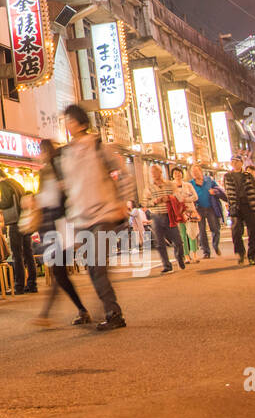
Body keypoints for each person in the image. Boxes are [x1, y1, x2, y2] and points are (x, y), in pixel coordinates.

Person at [58, 105, 130, 330]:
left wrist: (124, 203)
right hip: (80, 218)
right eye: (65, 121)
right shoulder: (66, 153)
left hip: (104, 213)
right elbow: (70, 187)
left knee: (97, 265)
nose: (67, 124)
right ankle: (109, 308)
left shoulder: (99, 145)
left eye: (70, 120)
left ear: (80, 122)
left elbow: (124, 176)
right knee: (92, 266)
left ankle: (113, 313)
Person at [31, 139, 91, 328]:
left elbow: (59, 197)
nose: (41, 155)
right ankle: (79, 310)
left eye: (42, 151)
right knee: (59, 272)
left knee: (59, 271)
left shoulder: (58, 169)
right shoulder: (46, 171)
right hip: (52, 226)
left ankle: (50, 312)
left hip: (60, 225)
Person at [0, 167, 37, 294]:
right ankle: (32, 284)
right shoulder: (16, 183)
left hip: (15, 222)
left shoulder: (4, 183)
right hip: (24, 221)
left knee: (17, 254)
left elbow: (6, 202)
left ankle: (19, 285)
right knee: (28, 253)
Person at [142, 163, 186, 273]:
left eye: (156, 172)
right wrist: (155, 201)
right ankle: (166, 265)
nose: (154, 174)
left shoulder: (170, 185)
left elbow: (179, 197)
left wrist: (170, 198)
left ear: (161, 172)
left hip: (169, 215)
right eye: (152, 172)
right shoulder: (149, 187)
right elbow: (145, 202)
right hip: (156, 216)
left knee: (178, 240)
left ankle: (180, 257)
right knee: (159, 243)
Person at [223, 159, 255, 266]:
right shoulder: (228, 176)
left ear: (241, 163)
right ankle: (240, 253)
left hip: (249, 205)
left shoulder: (248, 175)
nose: (235, 163)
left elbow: (253, 188)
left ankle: (252, 256)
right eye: (233, 161)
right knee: (236, 231)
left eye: (237, 161)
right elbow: (227, 191)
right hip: (235, 206)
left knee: (253, 231)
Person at [188, 163, 223, 257]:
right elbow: (189, 195)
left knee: (215, 228)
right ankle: (206, 252)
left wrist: (214, 191)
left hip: (210, 207)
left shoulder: (209, 180)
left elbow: (218, 188)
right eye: (193, 172)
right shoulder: (191, 183)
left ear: (200, 171)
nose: (195, 173)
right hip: (198, 208)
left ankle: (215, 245)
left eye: (196, 171)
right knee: (202, 231)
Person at [171, 166, 201, 264]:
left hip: (190, 211)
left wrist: (186, 199)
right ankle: (186, 256)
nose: (177, 175)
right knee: (182, 235)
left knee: (192, 233)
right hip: (178, 213)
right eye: (175, 173)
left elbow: (195, 196)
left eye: (179, 173)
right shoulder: (171, 186)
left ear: (182, 174)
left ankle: (195, 254)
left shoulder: (188, 185)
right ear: (172, 175)